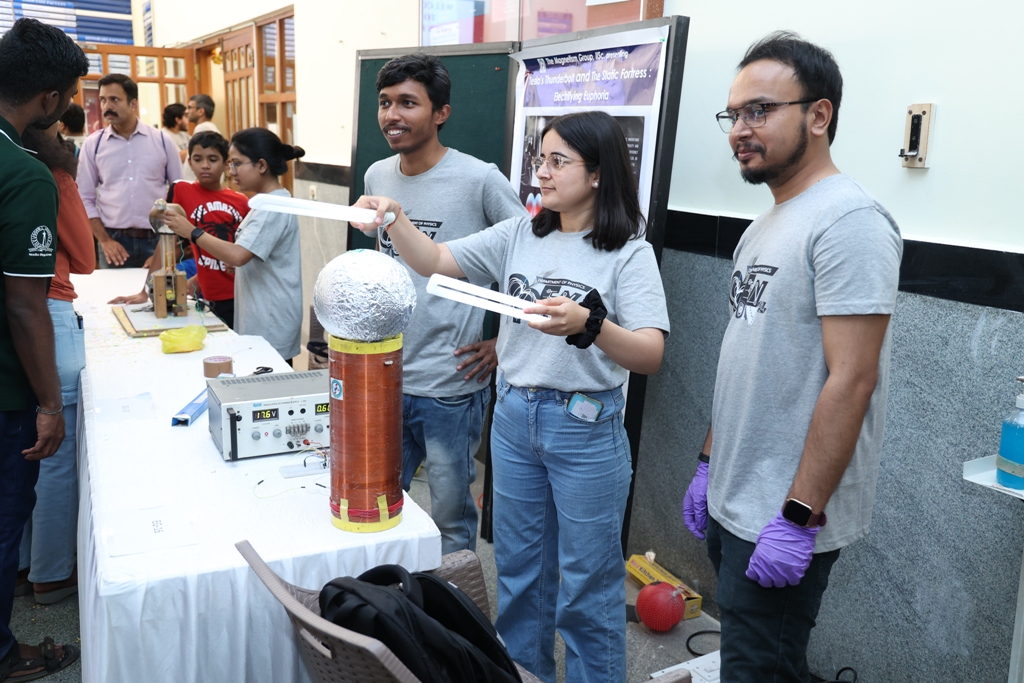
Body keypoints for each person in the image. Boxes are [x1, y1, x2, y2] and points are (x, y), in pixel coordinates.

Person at [354, 110, 669, 683]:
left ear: (598, 174)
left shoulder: (628, 252)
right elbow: (434, 263)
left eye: (557, 161)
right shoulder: (520, 231)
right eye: (539, 159)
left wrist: (589, 323)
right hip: (514, 416)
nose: (540, 173)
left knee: (588, 585)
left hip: (585, 426)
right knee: (520, 573)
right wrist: (393, 216)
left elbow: (650, 353)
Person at [681, 32, 902, 683]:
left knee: (759, 669)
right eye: (733, 114)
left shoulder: (849, 220)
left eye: (759, 111)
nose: (739, 130)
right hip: (734, 495)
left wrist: (798, 517)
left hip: (783, 514)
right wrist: (705, 464)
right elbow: (746, 360)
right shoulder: (764, 225)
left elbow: (852, 377)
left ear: (819, 114)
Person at [364, 54, 528, 554]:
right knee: (381, 504)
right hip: (387, 372)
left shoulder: (479, 180)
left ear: (441, 113)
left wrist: (505, 340)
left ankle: (456, 622)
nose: (392, 114)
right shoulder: (376, 176)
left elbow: (529, 257)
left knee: (451, 519)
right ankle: (397, 605)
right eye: (385, 103)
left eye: (408, 103)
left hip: (450, 385)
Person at [0, 17, 88, 681]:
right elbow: (25, 303)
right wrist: (52, 405)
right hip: (9, 388)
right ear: (52, 100)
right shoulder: (25, 175)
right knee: (5, 522)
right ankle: (8, 651)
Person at [16, 122, 95, 606]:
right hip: (50, 309)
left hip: (13, 319)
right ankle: (51, 573)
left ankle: (24, 565)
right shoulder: (50, 172)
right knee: (56, 456)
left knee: (20, 449)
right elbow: (85, 258)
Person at [163, 127, 302, 361]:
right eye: (231, 164)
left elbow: (238, 255)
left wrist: (192, 231)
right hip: (258, 315)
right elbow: (247, 256)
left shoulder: (272, 207)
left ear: (261, 165)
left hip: (270, 319)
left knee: (268, 386)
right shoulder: (263, 203)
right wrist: (241, 265)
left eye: (237, 163)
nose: (232, 171)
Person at [108, 131, 249, 329]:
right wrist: (145, 290)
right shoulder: (182, 190)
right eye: (198, 159)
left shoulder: (241, 202)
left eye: (213, 159)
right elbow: (166, 241)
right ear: (189, 162)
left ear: (226, 164)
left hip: (239, 294)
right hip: (207, 295)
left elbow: (241, 252)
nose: (205, 165)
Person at [77, 73, 182, 268]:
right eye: (102, 100)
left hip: (158, 239)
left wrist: (169, 246)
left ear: (133, 104)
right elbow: (84, 197)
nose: (106, 106)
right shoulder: (94, 144)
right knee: (112, 297)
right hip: (114, 242)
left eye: (114, 100)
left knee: (159, 297)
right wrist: (105, 241)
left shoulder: (162, 141)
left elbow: (179, 197)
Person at [182, 94, 219, 182]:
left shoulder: (203, 129)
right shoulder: (210, 128)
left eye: (190, 107)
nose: (186, 111)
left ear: (200, 111)